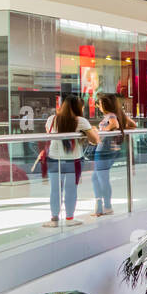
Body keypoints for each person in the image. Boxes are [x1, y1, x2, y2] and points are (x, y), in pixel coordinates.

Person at [43, 95, 99, 227]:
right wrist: (90, 131)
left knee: (55, 190)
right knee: (71, 189)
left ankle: (54, 219)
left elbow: (49, 133)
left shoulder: (51, 119)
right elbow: (94, 140)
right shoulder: (81, 121)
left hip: (53, 159)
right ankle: (69, 218)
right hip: (73, 161)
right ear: (79, 107)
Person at [91, 93, 133, 216]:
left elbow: (115, 124)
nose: (98, 106)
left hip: (104, 150)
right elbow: (132, 125)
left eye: (100, 103)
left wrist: (102, 131)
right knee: (97, 178)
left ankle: (106, 207)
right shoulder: (116, 115)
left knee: (101, 178)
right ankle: (101, 206)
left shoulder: (111, 115)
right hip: (110, 151)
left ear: (105, 104)